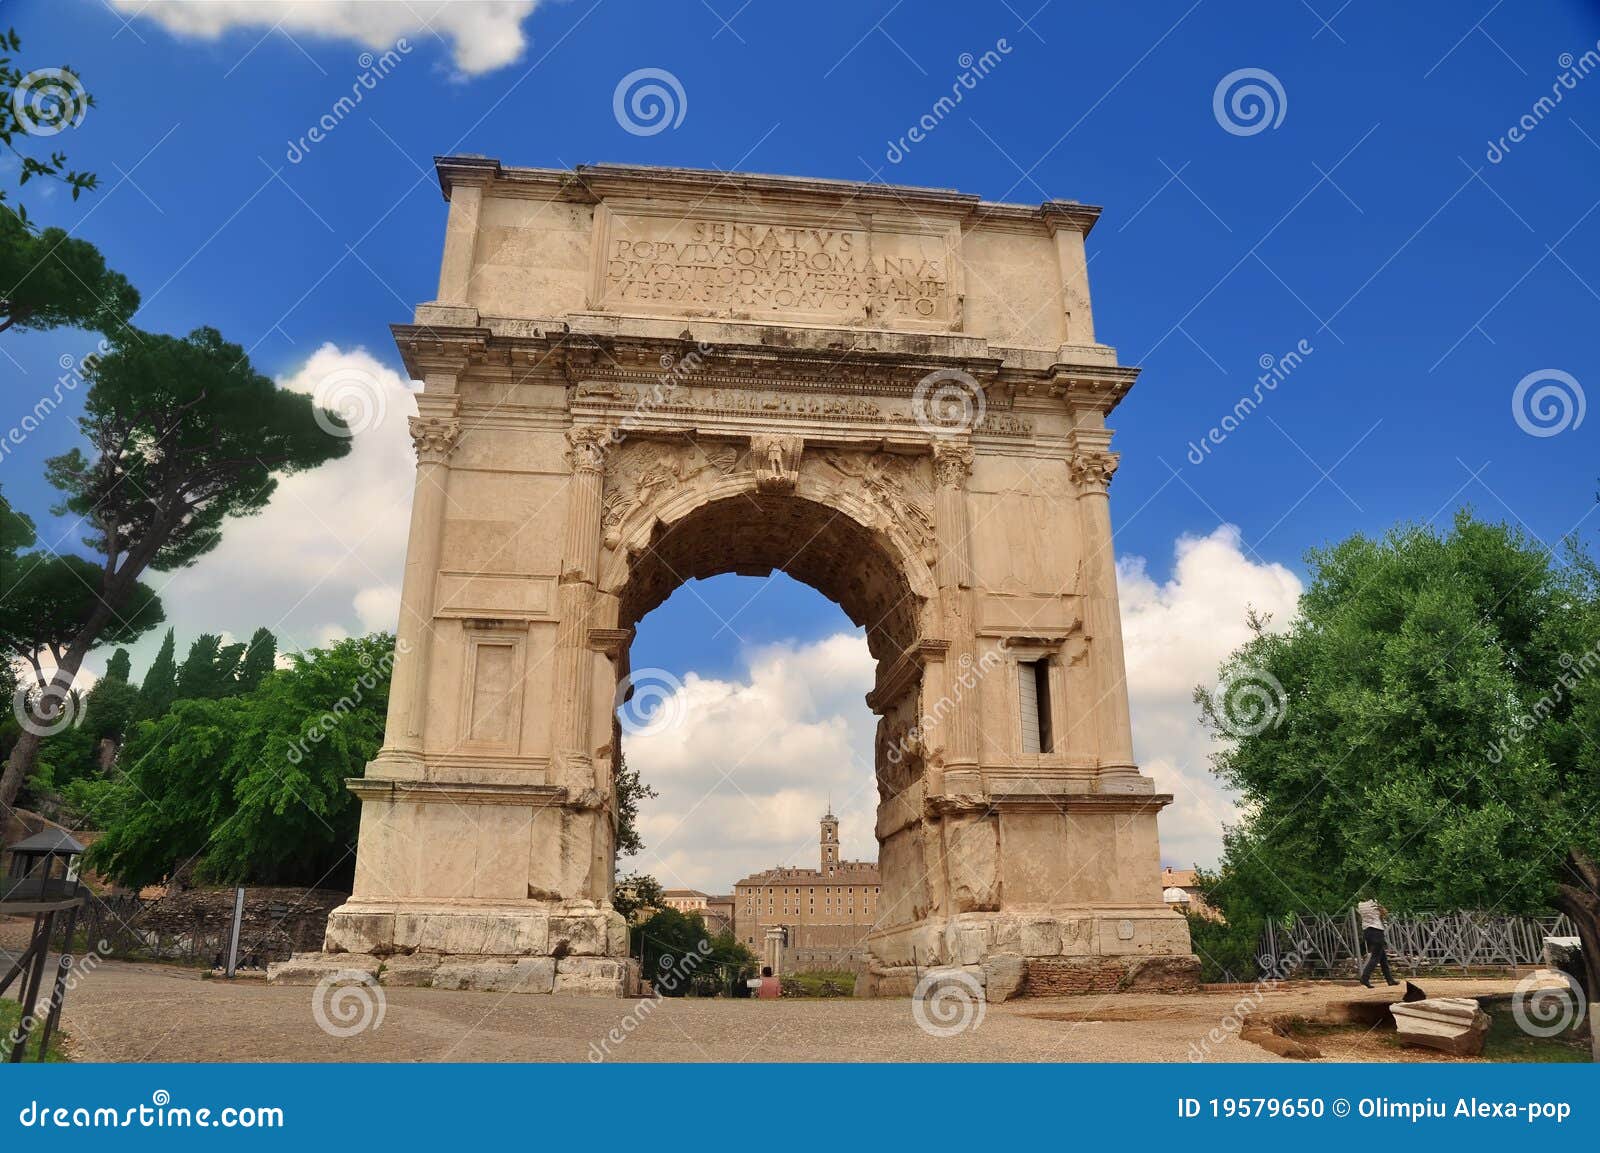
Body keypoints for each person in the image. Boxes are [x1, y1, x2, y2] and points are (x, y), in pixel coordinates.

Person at [1357, 897, 1398, 987]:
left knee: (1383, 958)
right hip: (1377, 931)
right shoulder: (1374, 902)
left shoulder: (1360, 905)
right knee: (1375, 957)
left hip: (1367, 931)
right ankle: (1365, 977)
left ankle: (1389, 980)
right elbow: (1384, 912)